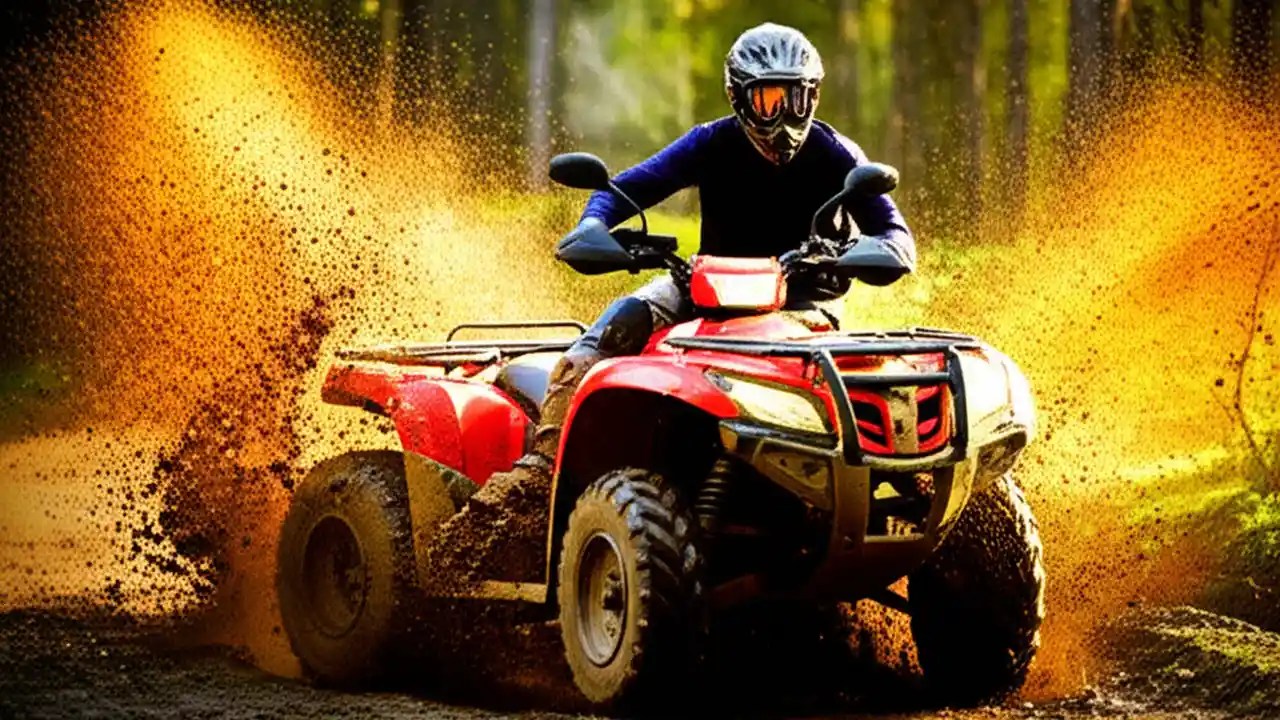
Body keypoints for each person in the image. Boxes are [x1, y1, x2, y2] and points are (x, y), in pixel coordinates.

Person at [504, 21, 917, 487]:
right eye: (769, 100)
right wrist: (593, 227)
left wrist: (869, 252)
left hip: (802, 304)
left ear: (815, 97)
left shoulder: (839, 155)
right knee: (618, 324)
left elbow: (895, 232)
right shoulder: (710, 142)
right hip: (706, 286)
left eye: (798, 98)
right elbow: (620, 191)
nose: (785, 118)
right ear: (738, 97)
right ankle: (542, 470)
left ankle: (868, 473)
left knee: (844, 380)